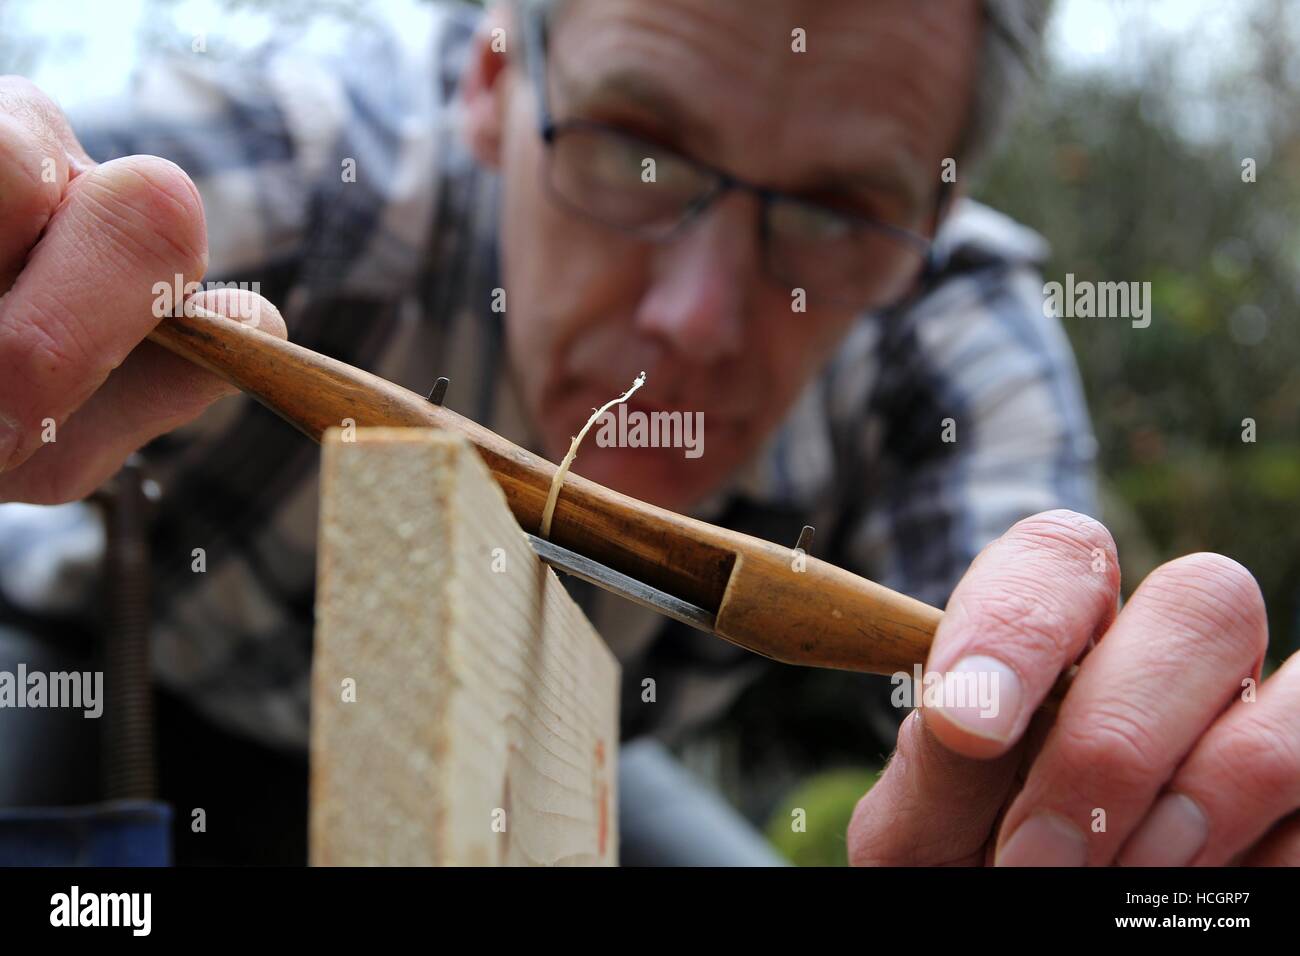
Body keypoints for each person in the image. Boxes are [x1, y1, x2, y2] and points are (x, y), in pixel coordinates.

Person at [0, 0, 1293, 866]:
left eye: (839, 214)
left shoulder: (953, 337)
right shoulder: (305, 160)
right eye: (637, 150)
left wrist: (1130, 785)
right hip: (132, 682)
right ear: (494, 83)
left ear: (939, 220)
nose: (701, 318)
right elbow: (75, 187)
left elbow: (1037, 647)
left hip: (555, 765)